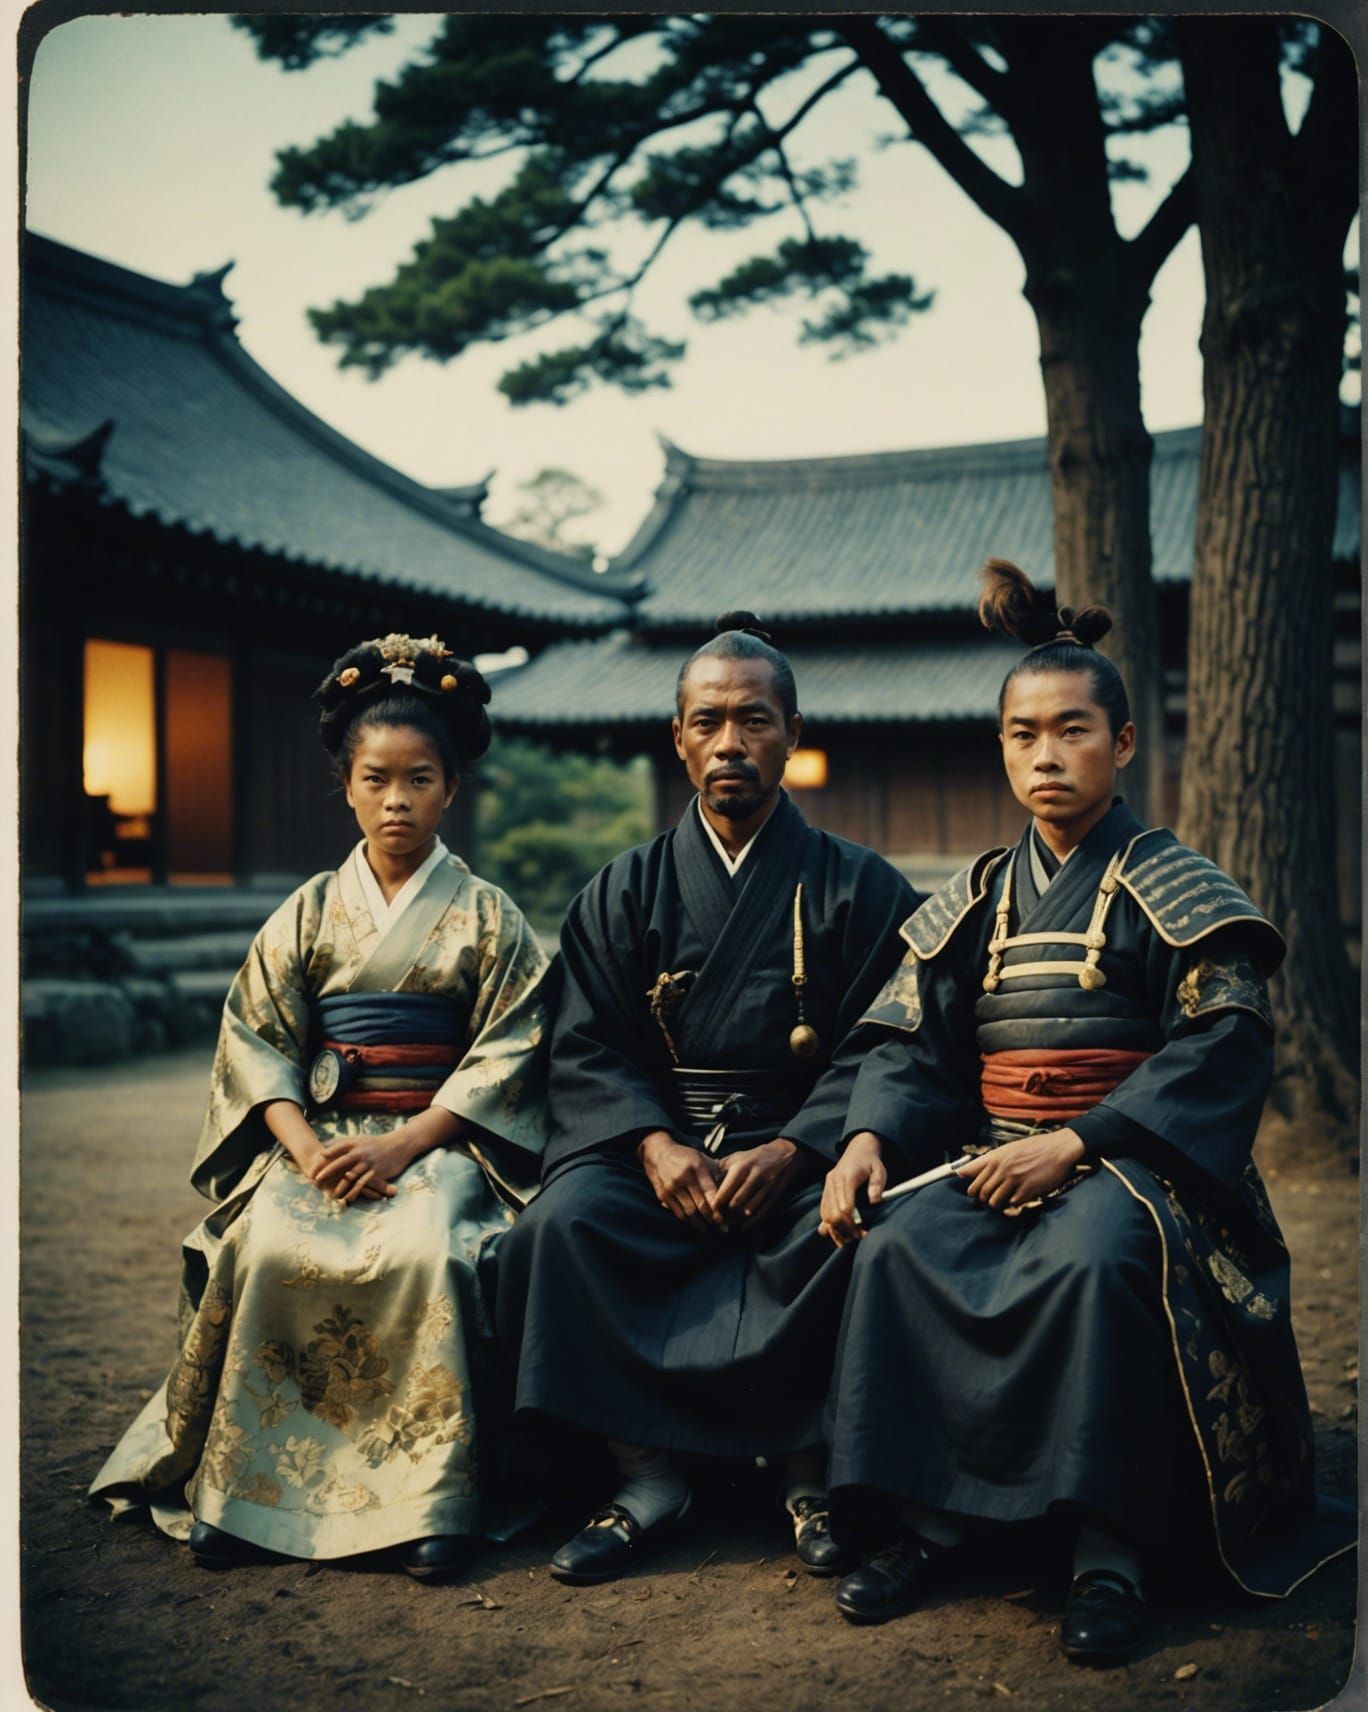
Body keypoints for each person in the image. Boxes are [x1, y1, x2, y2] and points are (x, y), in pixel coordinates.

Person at [818, 562, 1352, 1658]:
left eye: (1072, 730)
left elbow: (1223, 1044)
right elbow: (912, 1043)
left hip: (1138, 1163)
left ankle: (1111, 1551)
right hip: (993, 1151)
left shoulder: (1179, 884)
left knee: (1097, 1259)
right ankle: (933, 1519)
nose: (1047, 755)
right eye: (1024, 734)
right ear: (1002, 747)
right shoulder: (975, 895)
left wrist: (1078, 1140)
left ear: (1124, 742)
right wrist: (868, 1138)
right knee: (903, 1247)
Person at [90, 633, 552, 1582]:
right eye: (375, 780)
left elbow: (511, 1049)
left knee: (431, 1248)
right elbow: (257, 1041)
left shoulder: (490, 915)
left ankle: (433, 1503)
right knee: (268, 1243)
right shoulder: (306, 911)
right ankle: (244, 1494)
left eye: (419, 780)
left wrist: (407, 1144)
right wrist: (303, 1150)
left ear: (451, 789)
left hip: (438, 1143)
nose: (396, 801)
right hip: (321, 1141)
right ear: (346, 787)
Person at [493, 613, 918, 1583]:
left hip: (799, 1154)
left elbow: (892, 1041)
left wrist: (800, 1149)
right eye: (708, 721)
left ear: (792, 733)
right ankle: (646, 1475)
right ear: (679, 738)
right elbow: (585, 1043)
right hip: (662, 1152)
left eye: (754, 719)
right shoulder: (623, 890)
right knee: (558, 1228)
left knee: (868, 1233)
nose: (731, 741)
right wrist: (650, 1144)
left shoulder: (862, 888)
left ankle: (809, 1473)